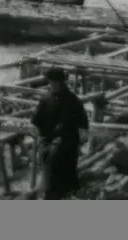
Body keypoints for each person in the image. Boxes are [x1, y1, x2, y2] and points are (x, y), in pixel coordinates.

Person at [31, 66, 89, 200]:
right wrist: (40, 138)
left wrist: (78, 140)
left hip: (66, 145)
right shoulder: (46, 99)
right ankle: (50, 192)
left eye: (55, 82)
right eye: (52, 82)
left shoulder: (73, 101)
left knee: (61, 177)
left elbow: (84, 129)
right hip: (49, 143)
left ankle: (58, 193)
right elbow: (36, 124)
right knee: (50, 170)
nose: (53, 84)